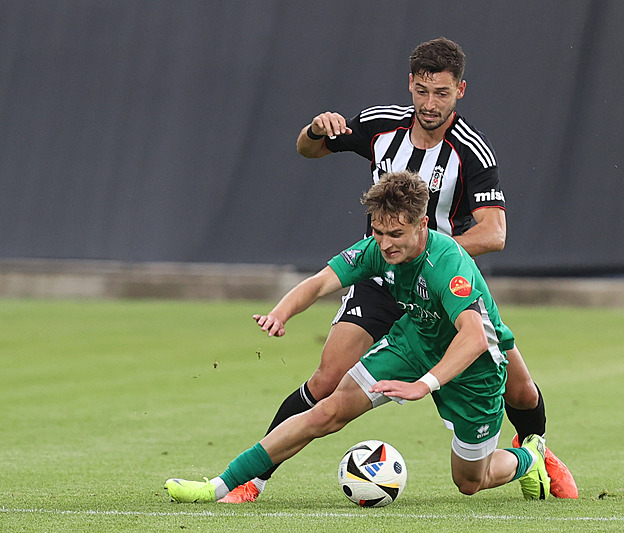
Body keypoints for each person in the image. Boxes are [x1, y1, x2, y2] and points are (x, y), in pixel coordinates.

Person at [221, 37, 577, 503]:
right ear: (410, 84)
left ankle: (537, 453)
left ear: (460, 91)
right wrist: (314, 130)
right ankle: (255, 478)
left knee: (522, 389)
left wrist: (426, 255)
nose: (431, 104)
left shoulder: (471, 153)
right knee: (326, 381)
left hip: (442, 283)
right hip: (381, 279)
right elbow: (310, 150)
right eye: (423, 91)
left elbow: (494, 233)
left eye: (442, 94)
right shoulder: (379, 126)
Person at [166, 171, 553, 503]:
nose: (385, 244)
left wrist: (425, 384)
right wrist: (281, 312)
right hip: (412, 345)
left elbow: (473, 338)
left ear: (422, 225)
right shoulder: (378, 249)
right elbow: (321, 282)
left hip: (473, 370)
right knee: (327, 411)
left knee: (471, 481)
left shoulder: (446, 262)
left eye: (396, 234)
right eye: (379, 232)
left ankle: (529, 458)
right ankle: (218, 486)